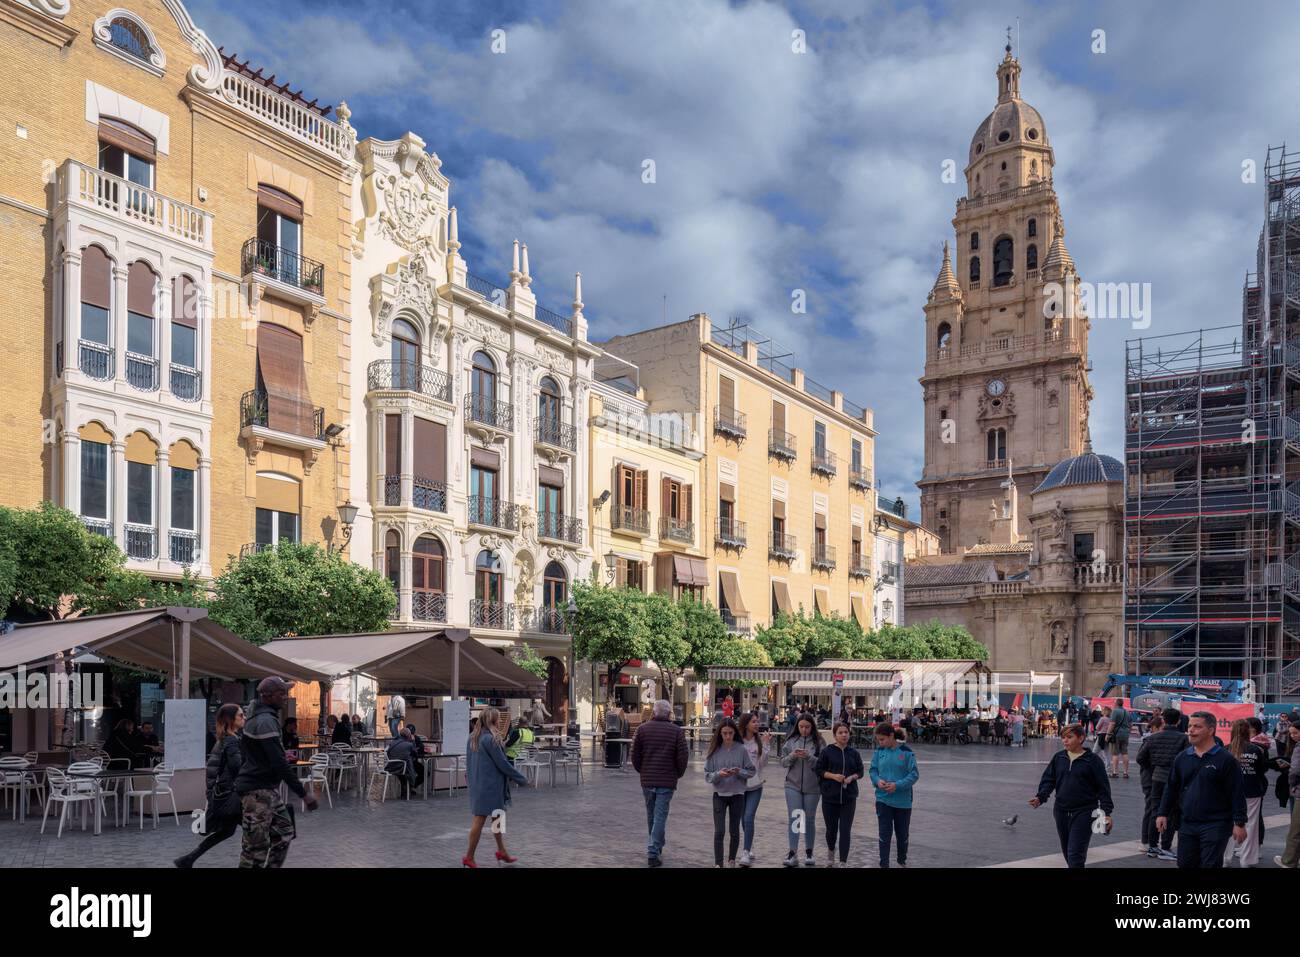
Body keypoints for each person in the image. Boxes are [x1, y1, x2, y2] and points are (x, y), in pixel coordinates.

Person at [234, 677, 317, 868]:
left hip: (266, 789)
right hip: (257, 791)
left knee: (284, 833)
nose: (286, 697)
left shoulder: (263, 718)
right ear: (268, 696)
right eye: (282, 693)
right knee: (255, 849)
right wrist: (304, 794)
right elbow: (279, 763)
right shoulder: (265, 721)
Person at [1156, 711, 1247, 869]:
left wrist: (1239, 823)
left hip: (1216, 824)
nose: (1191, 730)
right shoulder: (1182, 757)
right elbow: (1171, 787)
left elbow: (1237, 793)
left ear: (1211, 730)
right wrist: (1162, 813)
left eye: (1197, 727)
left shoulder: (1226, 760)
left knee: (1210, 865)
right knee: (1185, 863)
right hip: (1187, 823)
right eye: (1190, 726)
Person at [1028, 723, 1113, 868]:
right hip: (1060, 811)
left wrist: (1106, 813)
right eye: (1063, 737)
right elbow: (1049, 780)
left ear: (1081, 738)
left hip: (1085, 812)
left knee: (1075, 855)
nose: (1065, 741)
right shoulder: (1059, 757)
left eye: (1069, 737)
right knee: (1068, 852)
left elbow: (1103, 788)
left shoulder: (1093, 761)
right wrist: (1040, 797)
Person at [175, 703, 244, 868]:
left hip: (225, 793)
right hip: (233, 794)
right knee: (255, 829)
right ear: (230, 719)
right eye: (241, 715)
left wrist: (210, 793)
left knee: (227, 831)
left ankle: (188, 859)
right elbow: (237, 767)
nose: (244, 718)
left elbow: (213, 769)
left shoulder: (224, 739)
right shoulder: (232, 741)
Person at [464, 707, 528, 868]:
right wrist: (521, 779)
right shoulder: (491, 739)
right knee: (480, 819)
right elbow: (503, 764)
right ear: (493, 721)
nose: (500, 722)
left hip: (478, 784)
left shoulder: (473, 737)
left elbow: (469, 762)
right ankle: (469, 856)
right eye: (498, 719)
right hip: (491, 786)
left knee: (497, 817)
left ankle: (502, 851)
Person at [630, 699, 688, 867]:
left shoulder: (642, 730)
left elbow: (634, 754)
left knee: (652, 815)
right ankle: (653, 851)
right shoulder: (676, 731)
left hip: (647, 779)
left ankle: (656, 846)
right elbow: (683, 756)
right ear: (669, 714)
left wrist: (642, 770)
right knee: (660, 816)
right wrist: (677, 773)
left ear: (653, 713)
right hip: (667, 780)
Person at [1134, 707, 1188, 861]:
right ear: (1178, 721)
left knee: (1155, 811)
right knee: (1170, 812)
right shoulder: (1183, 739)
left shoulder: (1153, 738)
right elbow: (1186, 759)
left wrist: (1153, 766)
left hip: (1156, 777)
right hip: (1174, 779)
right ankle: (1165, 846)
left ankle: (1152, 845)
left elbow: (1140, 759)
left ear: (1163, 720)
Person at [704, 717, 755, 867]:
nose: (727, 736)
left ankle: (731, 859)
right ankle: (718, 864)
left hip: (737, 794)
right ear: (720, 733)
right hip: (719, 795)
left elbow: (751, 771)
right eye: (724, 733)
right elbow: (707, 775)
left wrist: (740, 772)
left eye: (730, 733)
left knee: (734, 830)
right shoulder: (714, 751)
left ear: (734, 733)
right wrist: (719, 774)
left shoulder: (741, 749)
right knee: (719, 831)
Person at [814, 722, 864, 867]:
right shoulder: (827, 751)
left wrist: (852, 777)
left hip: (849, 797)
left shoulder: (854, 753)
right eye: (840, 733)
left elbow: (860, 771)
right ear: (835, 735)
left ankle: (843, 861)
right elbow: (819, 770)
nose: (844, 735)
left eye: (846, 732)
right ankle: (831, 853)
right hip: (830, 797)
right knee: (831, 830)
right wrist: (833, 776)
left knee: (845, 830)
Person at [870, 722, 918, 869]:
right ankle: (883, 863)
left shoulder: (907, 752)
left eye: (882, 739)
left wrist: (897, 785)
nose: (880, 742)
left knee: (902, 835)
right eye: (878, 740)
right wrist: (878, 781)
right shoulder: (879, 752)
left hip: (903, 802)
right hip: (882, 799)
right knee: (884, 834)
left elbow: (914, 774)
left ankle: (901, 860)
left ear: (891, 736)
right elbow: (873, 770)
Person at [1223, 718, 1269, 867]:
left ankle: (1225, 859)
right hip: (1252, 790)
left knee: (1228, 824)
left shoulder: (1226, 749)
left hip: (1229, 792)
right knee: (1251, 825)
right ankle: (1247, 860)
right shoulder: (1256, 750)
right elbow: (1262, 770)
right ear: (1248, 731)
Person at [780, 713, 823, 867]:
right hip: (792, 784)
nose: (804, 729)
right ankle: (792, 853)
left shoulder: (819, 743)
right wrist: (792, 755)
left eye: (807, 727)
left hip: (813, 786)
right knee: (795, 818)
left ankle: (809, 852)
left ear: (812, 727)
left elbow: (823, 765)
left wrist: (809, 757)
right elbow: (783, 762)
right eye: (801, 726)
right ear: (797, 726)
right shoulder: (791, 741)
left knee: (809, 819)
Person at [737, 712, 772, 868]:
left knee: (749, 817)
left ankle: (745, 851)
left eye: (758, 721)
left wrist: (765, 744)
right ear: (745, 724)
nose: (757, 724)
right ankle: (749, 845)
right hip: (739, 785)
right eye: (754, 722)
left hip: (755, 785)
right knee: (743, 819)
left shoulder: (758, 742)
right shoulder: (738, 742)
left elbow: (762, 764)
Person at [1273, 721, 1300, 868]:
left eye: (1295, 732)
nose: (1292, 736)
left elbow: (1295, 771)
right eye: (1291, 733)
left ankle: (1288, 861)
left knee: (1296, 830)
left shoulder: (1299, 747)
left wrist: (1292, 783)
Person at [386, 726, 420, 797]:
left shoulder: (393, 742)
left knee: (407, 766)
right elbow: (415, 754)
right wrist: (413, 741)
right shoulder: (409, 744)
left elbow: (388, 753)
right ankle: (409, 788)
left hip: (390, 767)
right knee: (409, 767)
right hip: (401, 768)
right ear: (409, 736)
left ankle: (406, 790)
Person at [1109, 700, 1132, 778]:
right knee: (1125, 753)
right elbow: (1130, 724)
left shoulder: (1115, 711)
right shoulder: (1127, 712)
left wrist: (1108, 734)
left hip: (1116, 734)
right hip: (1125, 734)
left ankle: (1115, 772)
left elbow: (1112, 723)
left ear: (1116, 703)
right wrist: (1128, 732)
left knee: (1115, 753)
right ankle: (1125, 772)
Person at [604, 701, 629, 768]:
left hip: (613, 733)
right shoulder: (615, 714)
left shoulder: (614, 714)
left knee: (612, 745)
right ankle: (613, 761)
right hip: (614, 733)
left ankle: (614, 761)